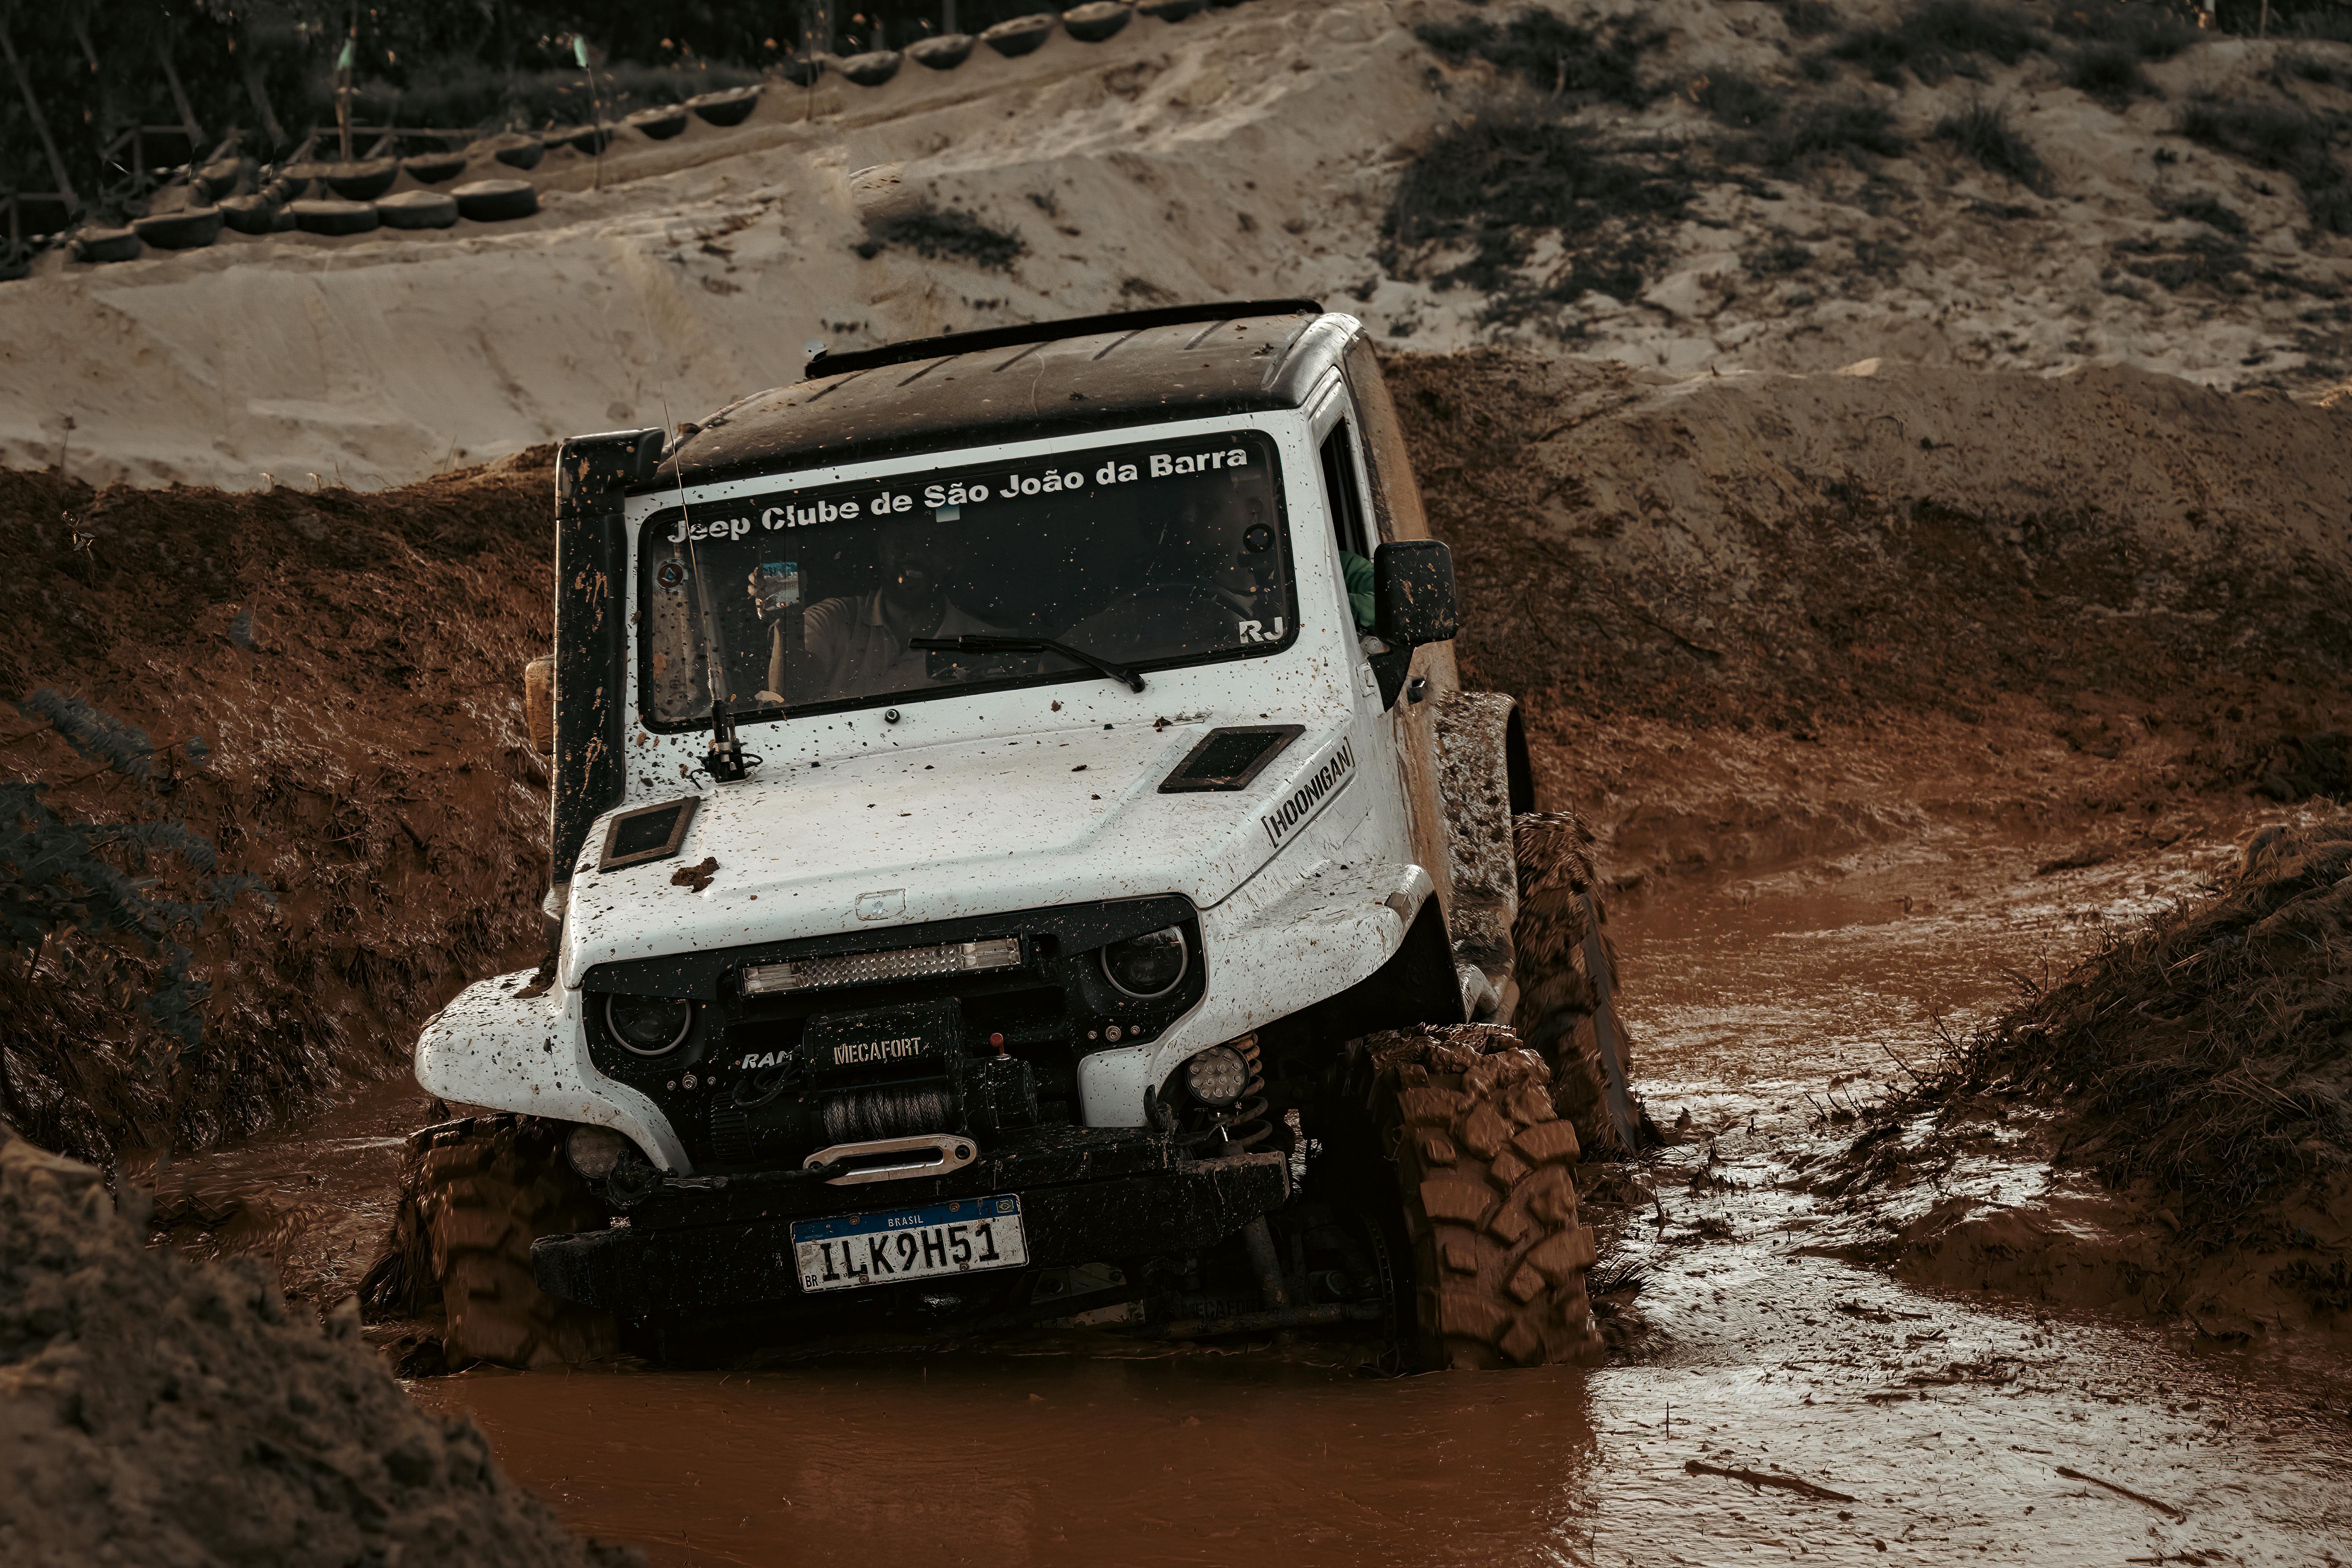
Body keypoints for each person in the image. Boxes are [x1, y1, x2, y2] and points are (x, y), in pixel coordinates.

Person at [753, 515, 1006, 703]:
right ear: (882, 551)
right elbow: (788, 701)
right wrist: (787, 616)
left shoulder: (986, 643)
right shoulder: (832, 619)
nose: (915, 554)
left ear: (954, 559)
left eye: (932, 543)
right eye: (903, 541)